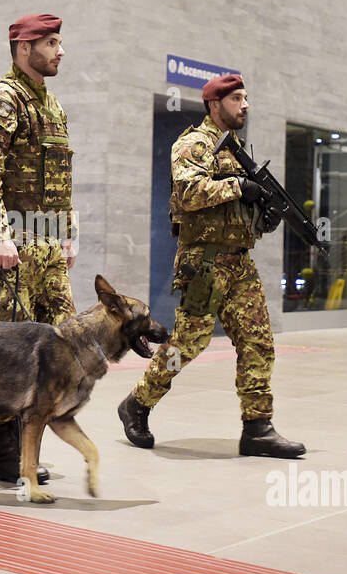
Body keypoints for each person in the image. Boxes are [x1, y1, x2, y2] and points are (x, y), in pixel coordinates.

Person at [117, 74, 305, 458]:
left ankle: (258, 428)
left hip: (239, 262)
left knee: (259, 343)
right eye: (237, 98)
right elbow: (187, 194)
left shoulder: (235, 149)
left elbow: (235, 208)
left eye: (246, 98)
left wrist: (261, 216)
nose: (245, 105)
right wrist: (239, 187)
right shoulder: (192, 144)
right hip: (203, 262)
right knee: (188, 343)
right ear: (214, 105)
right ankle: (137, 403)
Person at [0, 13, 78, 482]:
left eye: (59, 42)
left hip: (48, 244)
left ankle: (5, 435)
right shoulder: (1, 100)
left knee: (61, 349)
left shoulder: (51, 105)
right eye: (50, 42)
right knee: (9, 353)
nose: (60, 50)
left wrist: (68, 230)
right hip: (11, 242)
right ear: (23, 48)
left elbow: (62, 179)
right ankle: (4, 456)